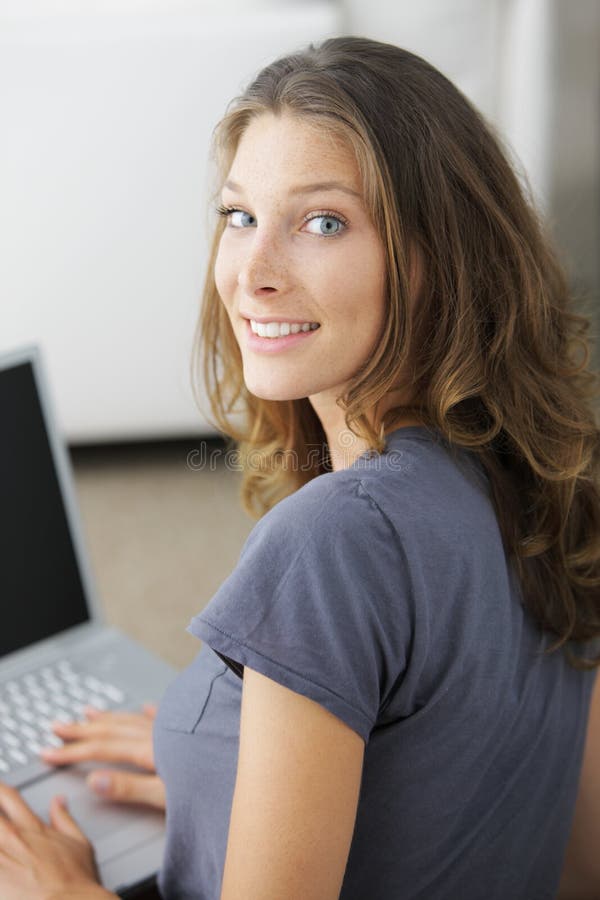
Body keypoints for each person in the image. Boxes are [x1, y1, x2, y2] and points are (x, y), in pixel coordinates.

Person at [0, 34, 599, 900]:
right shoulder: (545, 482)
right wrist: (213, 762)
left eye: (323, 222)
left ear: (442, 257)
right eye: (239, 216)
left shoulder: (334, 543)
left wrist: (66, 895)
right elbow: (572, 863)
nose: (253, 273)